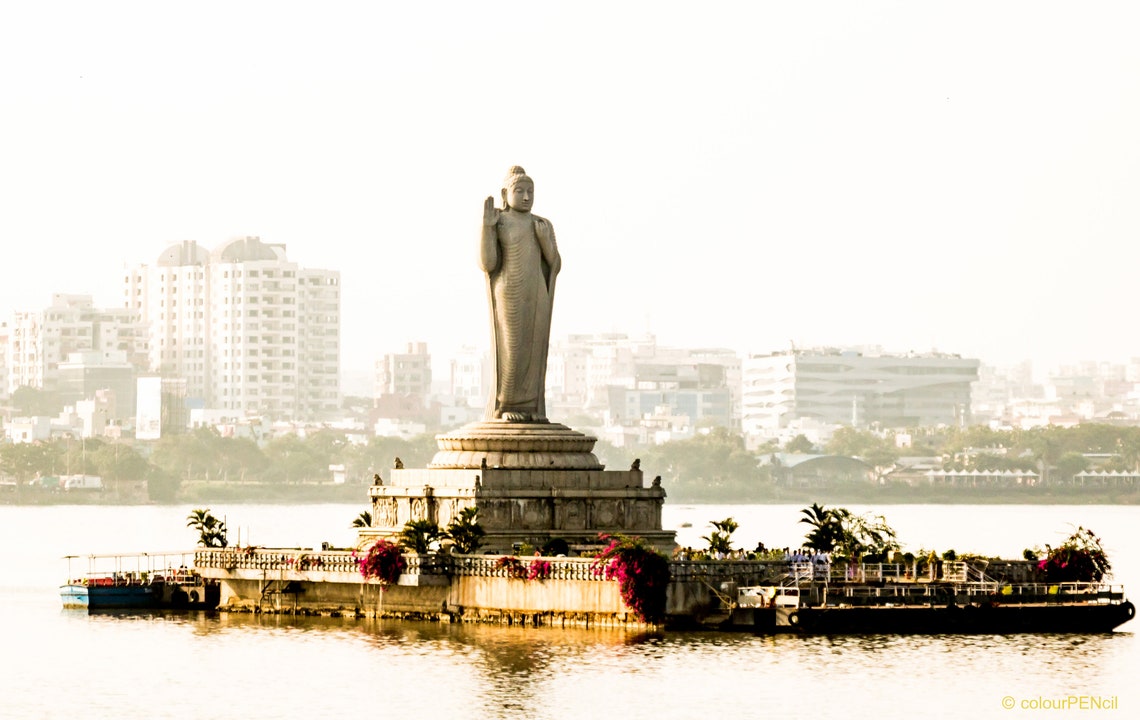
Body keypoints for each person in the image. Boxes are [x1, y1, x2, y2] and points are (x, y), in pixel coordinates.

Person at [480, 166, 561, 422]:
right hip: (510, 291)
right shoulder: (499, 221)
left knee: (534, 348)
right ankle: (506, 405)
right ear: (506, 193)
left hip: (537, 292)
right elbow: (488, 264)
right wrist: (487, 229)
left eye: (530, 191)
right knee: (512, 348)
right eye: (520, 191)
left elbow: (555, 264)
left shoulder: (542, 224)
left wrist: (545, 241)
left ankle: (533, 407)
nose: (526, 197)